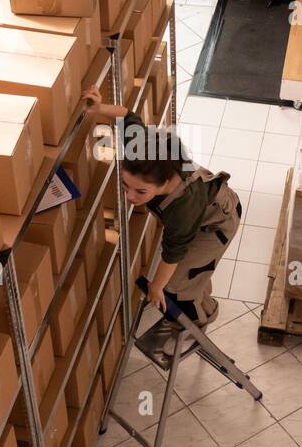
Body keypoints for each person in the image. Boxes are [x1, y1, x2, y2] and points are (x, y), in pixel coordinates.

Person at [82, 86, 242, 331]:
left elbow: (174, 252)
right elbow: (128, 116)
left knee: (176, 289)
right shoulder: (141, 151)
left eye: (140, 192)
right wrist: (98, 107)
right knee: (191, 274)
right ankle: (198, 286)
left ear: (166, 183)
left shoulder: (182, 207)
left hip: (216, 223)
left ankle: (199, 320)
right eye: (126, 186)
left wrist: (157, 288)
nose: (130, 197)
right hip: (198, 216)